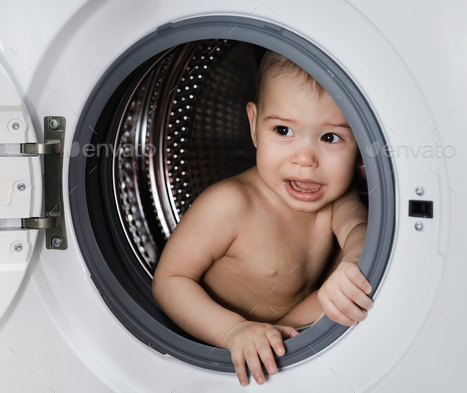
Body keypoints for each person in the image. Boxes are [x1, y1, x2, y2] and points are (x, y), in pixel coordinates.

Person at [152, 50, 373, 387]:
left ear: (360, 147)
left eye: (330, 138)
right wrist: (234, 330)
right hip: (224, 353)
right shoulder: (230, 204)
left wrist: (351, 266)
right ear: (254, 125)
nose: (304, 159)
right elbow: (170, 281)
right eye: (284, 130)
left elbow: (360, 230)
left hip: (293, 338)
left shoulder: (336, 199)